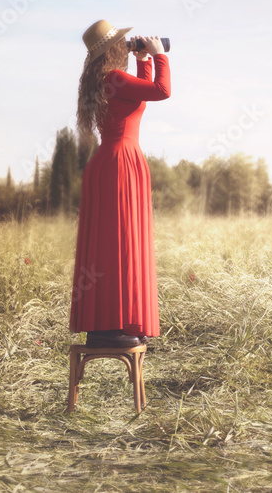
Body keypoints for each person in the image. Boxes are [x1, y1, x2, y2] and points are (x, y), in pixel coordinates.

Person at [69, 19, 171, 348]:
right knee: (118, 242)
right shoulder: (114, 78)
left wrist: (142, 60)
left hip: (110, 163)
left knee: (111, 242)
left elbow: (139, 96)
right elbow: (161, 91)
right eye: (122, 44)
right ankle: (110, 327)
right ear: (113, 50)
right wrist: (158, 56)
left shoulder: (107, 80)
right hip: (120, 165)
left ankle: (111, 324)